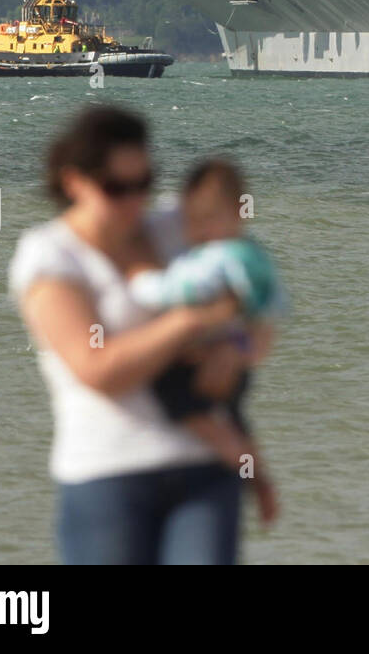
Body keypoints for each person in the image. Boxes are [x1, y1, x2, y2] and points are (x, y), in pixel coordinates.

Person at [9, 105, 255, 564]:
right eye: (115, 189)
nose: (133, 202)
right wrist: (188, 322)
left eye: (143, 184)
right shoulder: (50, 257)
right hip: (106, 476)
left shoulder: (169, 228)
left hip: (204, 468)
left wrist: (238, 349)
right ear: (73, 182)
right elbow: (98, 369)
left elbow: (251, 284)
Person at [126, 158, 281, 524]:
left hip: (206, 362)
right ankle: (256, 475)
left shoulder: (215, 258)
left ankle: (238, 458)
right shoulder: (254, 254)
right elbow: (271, 309)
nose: (199, 229)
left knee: (182, 405)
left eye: (208, 218)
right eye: (194, 220)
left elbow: (176, 289)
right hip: (236, 361)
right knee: (235, 418)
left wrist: (138, 282)